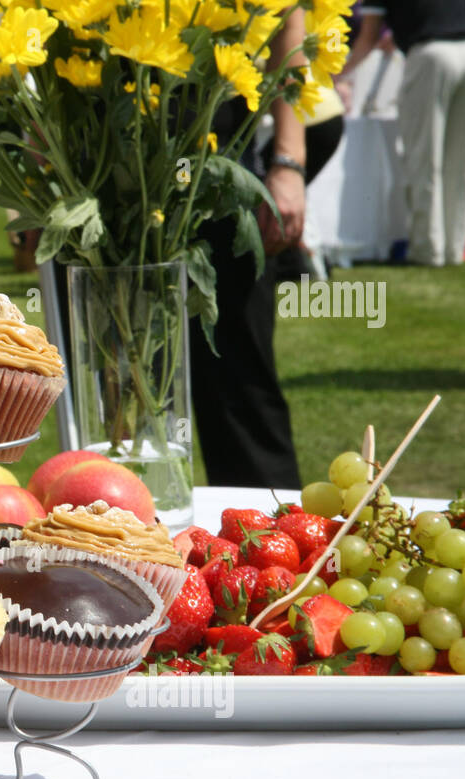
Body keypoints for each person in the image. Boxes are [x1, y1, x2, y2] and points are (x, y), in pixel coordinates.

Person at [189, 9, 311, 489]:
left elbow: (287, 19)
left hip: (220, 163)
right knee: (116, 388)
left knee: (240, 381)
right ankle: (106, 548)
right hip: (98, 162)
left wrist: (289, 160)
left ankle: (271, 547)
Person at [339, 0, 465, 266]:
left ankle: (427, 249)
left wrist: (337, 76)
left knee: (423, 158)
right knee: (457, 160)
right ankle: (454, 247)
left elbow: (368, 38)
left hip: (431, 55)